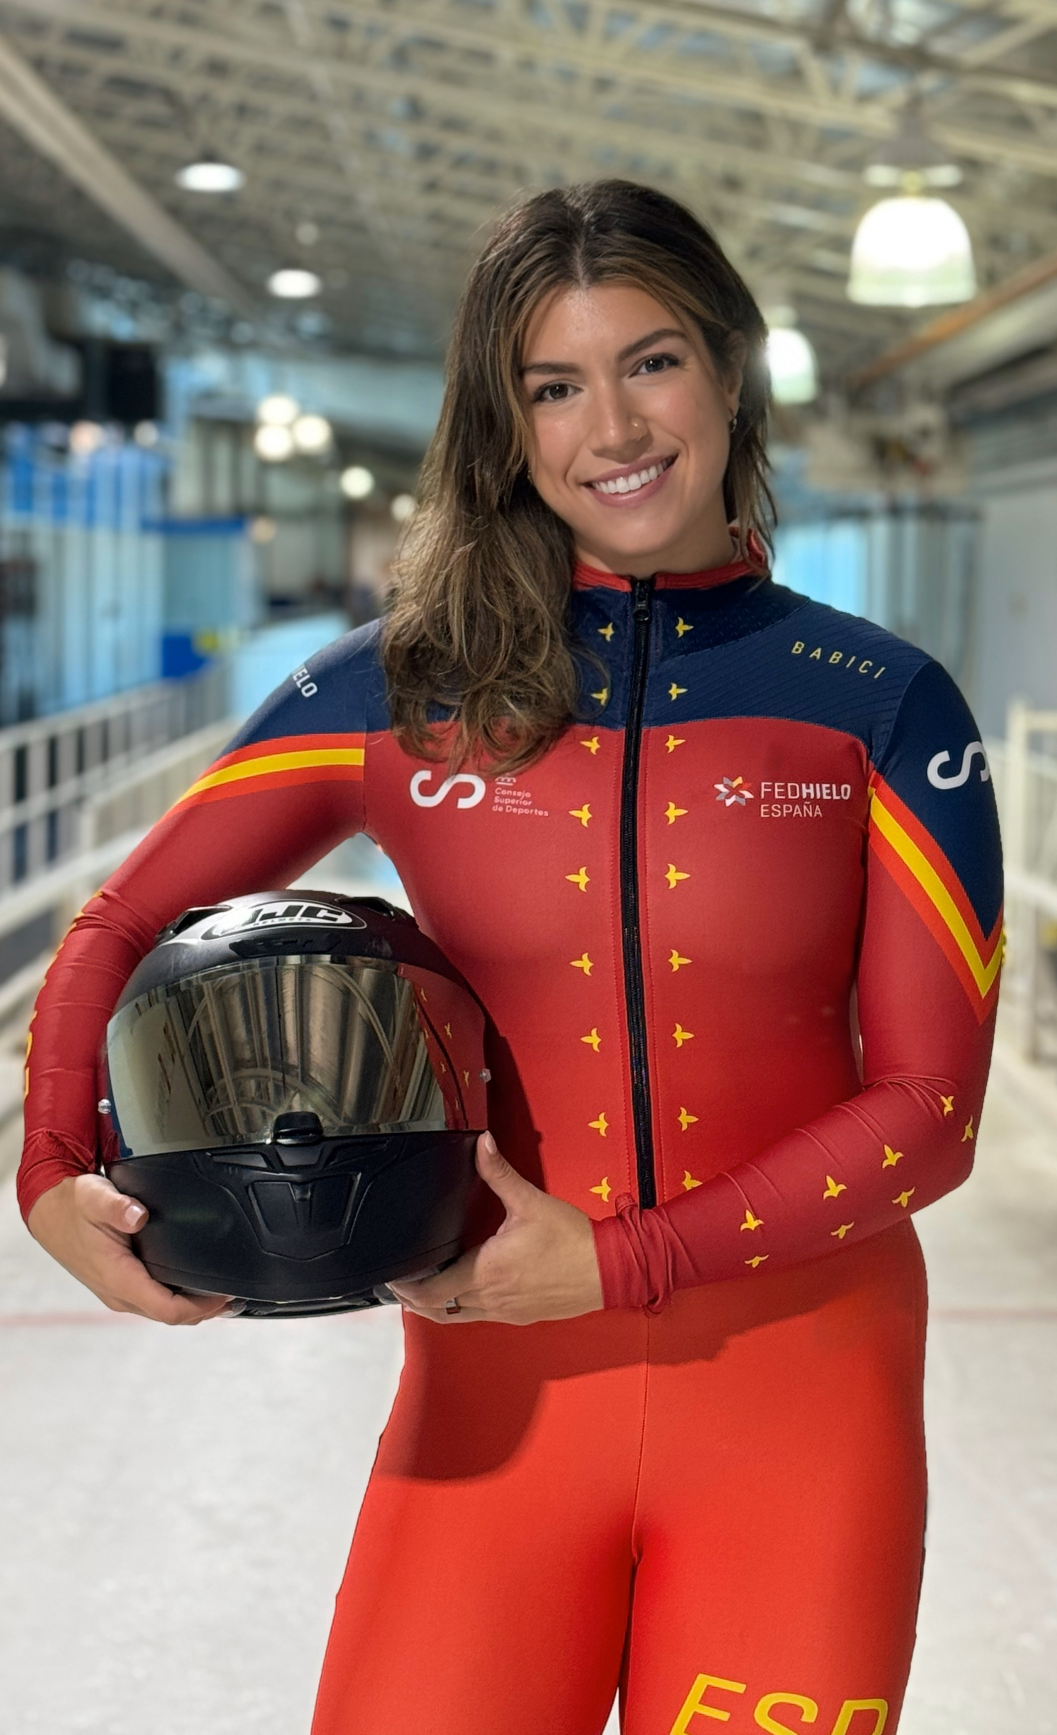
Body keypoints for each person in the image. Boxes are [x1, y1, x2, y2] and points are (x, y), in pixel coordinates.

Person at [21, 180, 1003, 1735]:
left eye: (651, 362)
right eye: (553, 384)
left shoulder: (877, 700)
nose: (610, 424)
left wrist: (620, 1264)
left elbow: (933, 1114)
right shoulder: (395, 690)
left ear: (729, 367)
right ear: (505, 422)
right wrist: (50, 1179)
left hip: (803, 1408)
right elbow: (117, 924)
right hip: (489, 1409)